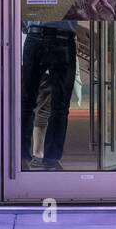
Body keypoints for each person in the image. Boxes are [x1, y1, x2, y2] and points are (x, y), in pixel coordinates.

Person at [19, 18, 80, 171]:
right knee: (60, 107)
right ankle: (51, 160)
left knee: (27, 103)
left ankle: (22, 158)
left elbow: (22, 21)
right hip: (63, 39)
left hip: (35, 36)